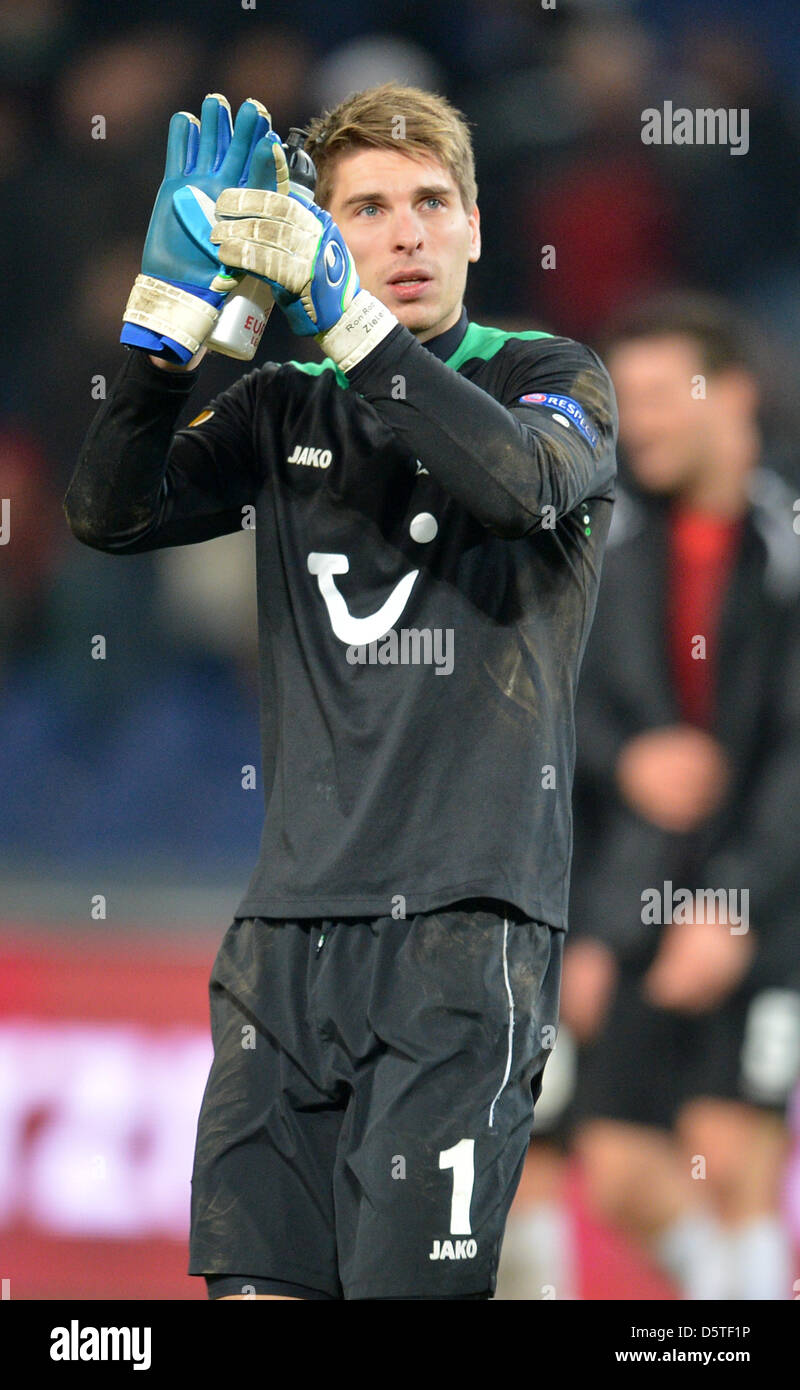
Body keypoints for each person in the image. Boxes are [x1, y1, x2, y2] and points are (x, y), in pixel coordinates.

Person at [64, 83, 617, 1301]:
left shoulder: (549, 375)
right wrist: (163, 332)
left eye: (429, 203)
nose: (404, 233)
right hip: (284, 941)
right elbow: (109, 514)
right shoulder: (281, 403)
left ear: (475, 225)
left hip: (466, 938)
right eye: (363, 209)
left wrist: (343, 317)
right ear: (314, 228)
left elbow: (517, 486)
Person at [563, 292, 800, 1300]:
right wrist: (583, 926)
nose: (641, 422)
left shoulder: (783, 547)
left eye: (662, 395)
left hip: (773, 903)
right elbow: (561, 729)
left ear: (732, 394)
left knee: (722, 1149)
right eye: (628, 402)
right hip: (638, 904)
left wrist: (736, 904)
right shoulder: (610, 554)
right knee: (618, 1171)